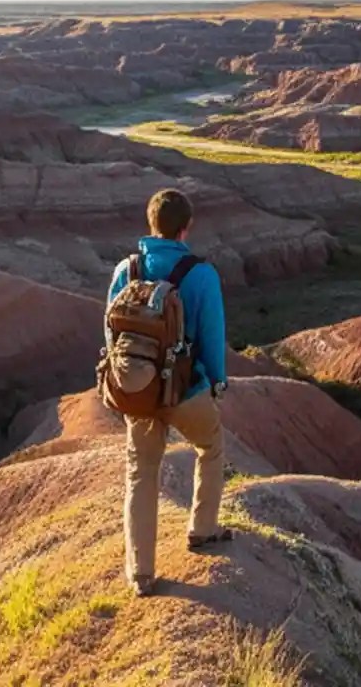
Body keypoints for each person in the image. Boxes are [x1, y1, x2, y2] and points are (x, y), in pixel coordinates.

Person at [106, 188, 232, 597]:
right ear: (186, 227)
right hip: (185, 389)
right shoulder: (200, 274)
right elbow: (212, 338)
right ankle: (202, 529)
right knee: (210, 446)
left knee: (141, 473)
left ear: (150, 224)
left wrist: (127, 378)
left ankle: (141, 574)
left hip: (138, 390)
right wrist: (217, 381)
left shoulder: (126, 270)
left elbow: (111, 331)